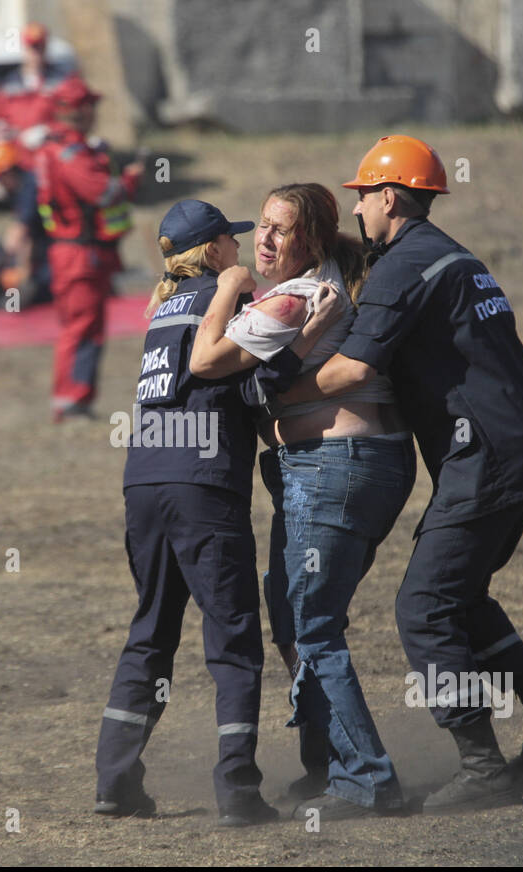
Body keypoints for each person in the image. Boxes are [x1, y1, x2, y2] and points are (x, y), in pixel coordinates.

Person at [281, 134, 523, 813]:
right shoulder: (453, 255)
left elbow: (359, 369)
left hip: (487, 457)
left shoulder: (405, 266)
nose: (358, 209)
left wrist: (278, 391)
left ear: (389, 197)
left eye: (363, 196)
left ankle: (482, 766)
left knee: (424, 609)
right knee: (459, 595)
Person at [96, 199, 344, 826]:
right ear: (213, 251)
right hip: (203, 488)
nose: (243, 247)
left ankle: (114, 778)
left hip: (143, 482)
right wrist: (312, 332)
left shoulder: (160, 313)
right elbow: (259, 388)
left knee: (150, 628)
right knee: (233, 640)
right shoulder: (225, 301)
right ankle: (237, 788)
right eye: (231, 241)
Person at [189, 184, 415, 820]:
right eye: (260, 226)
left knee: (311, 621)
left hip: (336, 467)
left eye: (279, 231)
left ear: (308, 243)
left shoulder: (297, 298)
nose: (263, 240)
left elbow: (206, 361)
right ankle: (329, 763)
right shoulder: (310, 287)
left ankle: (368, 781)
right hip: (334, 468)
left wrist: (228, 282)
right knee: (291, 617)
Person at [34, 76, 143, 421]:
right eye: (90, 105)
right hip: (78, 254)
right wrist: (129, 180)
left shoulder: (67, 147)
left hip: (79, 252)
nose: (95, 112)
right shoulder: (70, 153)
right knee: (81, 327)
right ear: (76, 110)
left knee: (85, 327)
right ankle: (71, 401)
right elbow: (102, 193)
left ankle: (76, 399)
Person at [0, 22, 75, 169]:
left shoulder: (61, 82)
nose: (36, 53)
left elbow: (73, 119)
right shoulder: (9, 85)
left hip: (54, 161)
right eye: (32, 48)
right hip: (20, 162)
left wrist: (48, 131)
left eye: (40, 48)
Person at [0, 139, 50, 303]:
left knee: (14, 299)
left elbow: (19, 235)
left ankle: (14, 304)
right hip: (43, 253)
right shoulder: (23, 188)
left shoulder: (29, 190)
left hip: (55, 259)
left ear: (7, 172)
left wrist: (11, 270)